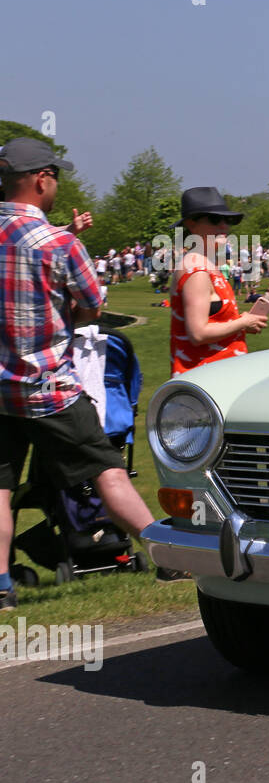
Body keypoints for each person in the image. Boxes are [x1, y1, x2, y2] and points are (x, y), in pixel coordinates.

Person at [0, 139, 162, 606]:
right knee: (109, 470)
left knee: (0, 487)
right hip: (49, 387)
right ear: (41, 179)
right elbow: (92, 306)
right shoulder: (59, 242)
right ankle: (165, 554)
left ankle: (2, 588)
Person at [170, 187, 267, 376]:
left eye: (227, 220)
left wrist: (243, 322)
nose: (224, 226)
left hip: (220, 375)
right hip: (206, 379)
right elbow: (198, 334)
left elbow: (213, 322)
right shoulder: (196, 269)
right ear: (191, 224)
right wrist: (242, 323)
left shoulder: (207, 264)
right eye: (215, 220)